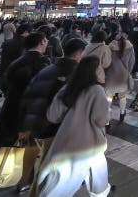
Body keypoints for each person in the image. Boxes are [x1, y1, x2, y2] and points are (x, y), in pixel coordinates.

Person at [19, 38, 86, 197]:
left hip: (36, 124)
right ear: (78, 54)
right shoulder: (75, 74)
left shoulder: (48, 68)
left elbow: (28, 94)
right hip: (54, 128)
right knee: (48, 169)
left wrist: (25, 125)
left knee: (45, 164)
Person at [37, 56, 112, 197]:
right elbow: (101, 120)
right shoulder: (97, 90)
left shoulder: (68, 88)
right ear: (95, 71)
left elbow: (52, 116)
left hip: (65, 144)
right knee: (97, 181)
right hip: (90, 146)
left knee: (59, 185)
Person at [0, 32, 50, 148]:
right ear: (42, 42)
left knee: (6, 147)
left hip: (10, 108)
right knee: (23, 151)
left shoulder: (17, 61)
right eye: (46, 40)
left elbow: (4, 84)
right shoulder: (42, 62)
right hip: (28, 114)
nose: (47, 43)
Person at [105, 27, 135, 124]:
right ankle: (122, 113)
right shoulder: (130, 46)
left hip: (111, 75)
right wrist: (128, 72)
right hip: (123, 75)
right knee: (122, 95)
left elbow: (106, 62)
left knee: (109, 97)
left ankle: (107, 120)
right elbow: (132, 62)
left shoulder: (110, 46)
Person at [0, 23, 31, 92]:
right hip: (17, 79)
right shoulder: (25, 44)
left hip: (4, 75)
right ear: (25, 32)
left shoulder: (8, 42)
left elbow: (3, 62)